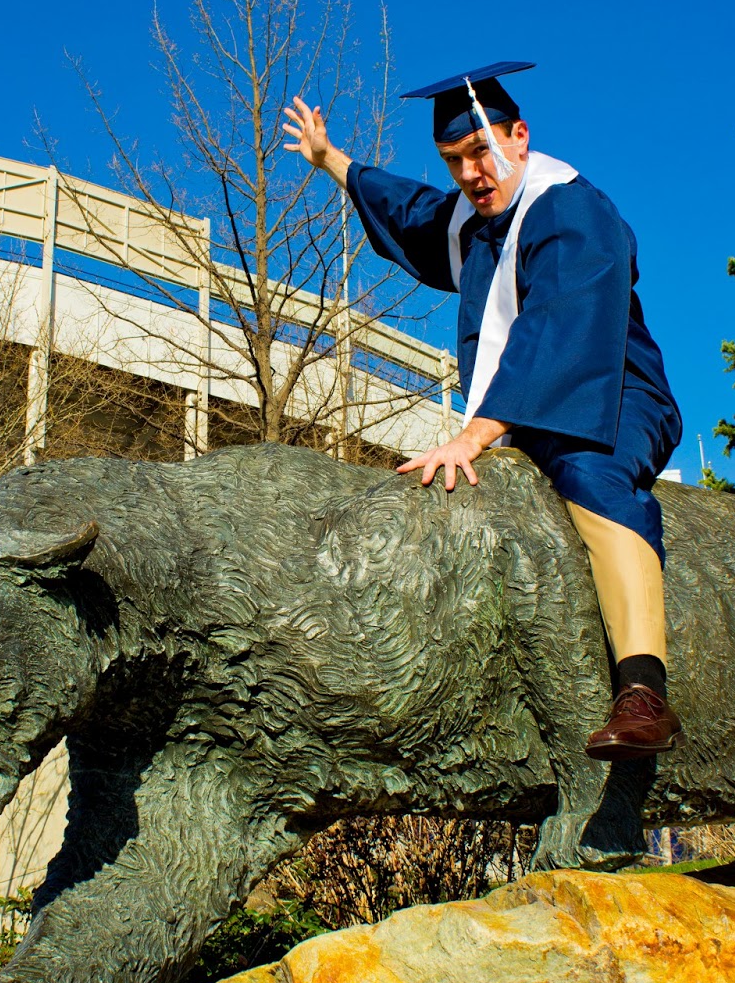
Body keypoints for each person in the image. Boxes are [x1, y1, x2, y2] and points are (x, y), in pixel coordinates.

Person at [283, 62, 683, 761]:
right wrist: (330, 160)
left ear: (519, 137)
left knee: (591, 474)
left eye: (480, 152)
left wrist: (476, 432)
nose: (470, 173)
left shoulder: (572, 209)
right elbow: (407, 211)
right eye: (453, 161)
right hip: (523, 407)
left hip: (614, 394)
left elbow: (559, 324)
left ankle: (644, 694)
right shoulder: (472, 223)